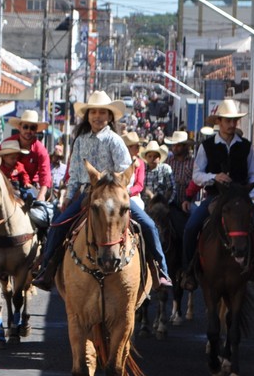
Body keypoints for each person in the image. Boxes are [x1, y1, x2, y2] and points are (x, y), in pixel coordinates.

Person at [31, 91, 172, 292]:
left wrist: (118, 192)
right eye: (93, 112)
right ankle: (46, 270)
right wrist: (69, 197)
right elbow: (74, 173)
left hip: (114, 196)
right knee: (57, 226)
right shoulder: (80, 141)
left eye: (102, 112)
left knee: (148, 225)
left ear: (110, 116)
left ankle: (161, 270)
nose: (97, 116)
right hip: (87, 194)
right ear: (88, 116)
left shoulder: (115, 140)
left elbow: (127, 173)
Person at [180, 98, 254, 291]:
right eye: (228, 120)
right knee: (191, 227)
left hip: (240, 199)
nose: (232, 124)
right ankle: (188, 270)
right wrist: (214, 177)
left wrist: (250, 195)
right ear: (219, 121)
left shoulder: (246, 146)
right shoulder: (206, 146)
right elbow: (197, 175)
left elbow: (253, 175)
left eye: (234, 120)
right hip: (215, 197)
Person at [2, 109, 53, 203]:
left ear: (36, 130)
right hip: (5, 184)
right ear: (19, 127)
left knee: (36, 207)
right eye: (25, 127)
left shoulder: (40, 150)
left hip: (29, 186)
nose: (28, 131)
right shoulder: (7, 144)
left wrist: (41, 194)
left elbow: (45, 174)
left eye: (32, 128)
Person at [142, 140, 175, 204]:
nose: (152, 159)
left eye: (155, 156)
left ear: (159, 158)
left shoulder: (165, 169)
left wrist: (166, 203)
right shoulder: (142, 169)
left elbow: (171, 188)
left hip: (161, 203)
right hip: (144, 203)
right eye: (149, 156)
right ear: (146, 157)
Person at [122, 130, 146, 199]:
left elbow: (139, 184)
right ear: (128, 148)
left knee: (138, 206)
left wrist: (129, 191)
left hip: (132, 196)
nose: (139, 149)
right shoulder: (118, 161)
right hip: (117, 194)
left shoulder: (140, 163)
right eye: (137, 147)